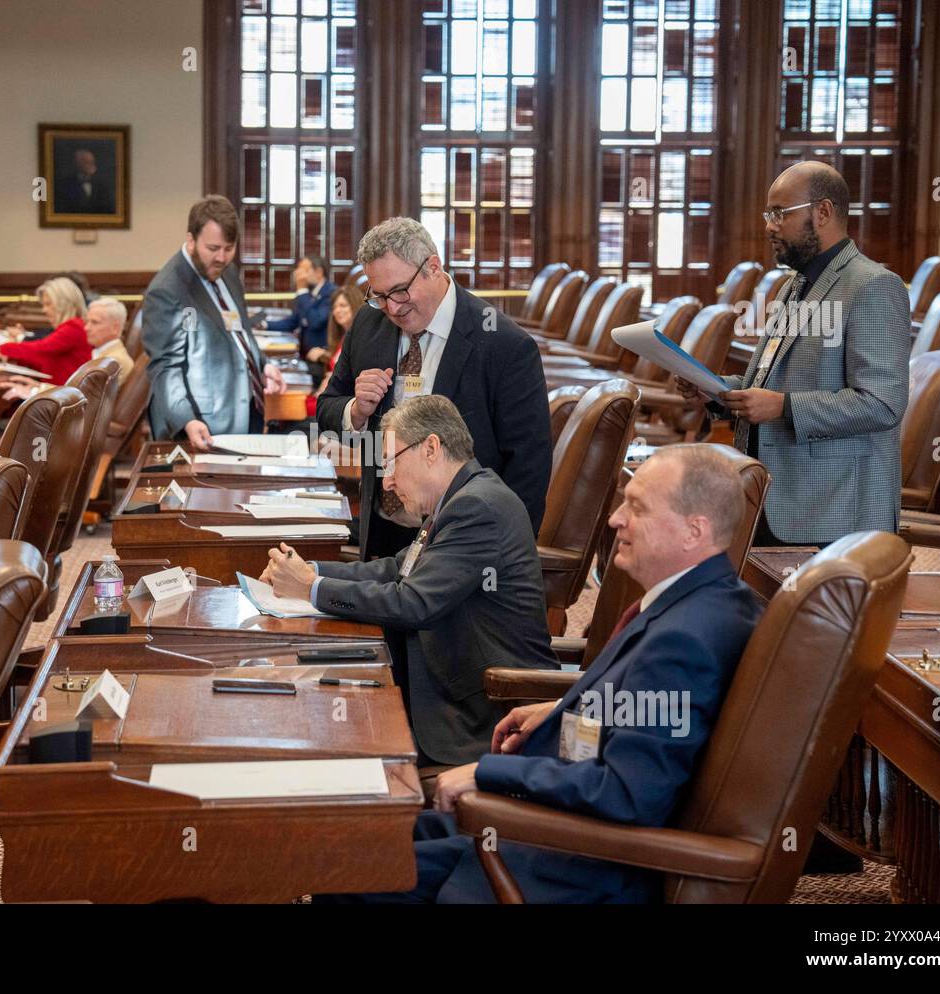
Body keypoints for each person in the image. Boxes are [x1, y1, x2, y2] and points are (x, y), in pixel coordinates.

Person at [321, 445, 761, 903]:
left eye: (637, 507)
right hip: (535, 823)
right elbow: (639, 710)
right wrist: (562, 708)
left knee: (350, 869)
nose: (614, 520)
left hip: (557, 858)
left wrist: (488, 774)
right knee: (362, 834)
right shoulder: (707, 602)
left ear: (694, 530)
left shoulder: (685, 640)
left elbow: (628, 793)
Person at [261, 396, 556, 766]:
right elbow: (394, 570)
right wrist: (311, 571)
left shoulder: (477, 506)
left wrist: (310, 589)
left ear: (430, 448)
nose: (387, 482)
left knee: (329, 735)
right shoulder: (459, 497)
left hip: (479, 713)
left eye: (389, 463)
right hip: (441, 681)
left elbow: (413, 602)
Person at [676, 161, 909, 546]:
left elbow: (883, 403)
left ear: (823, 212)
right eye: (769, 214)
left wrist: (784, 406)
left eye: (780, 213)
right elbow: (771, 381)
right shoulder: (795, 285)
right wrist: (717, 391)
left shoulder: (873, 286)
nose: (769, 225)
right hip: (778, 493)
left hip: (834, 510)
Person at [316, 217, 551, 560]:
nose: (393, 307)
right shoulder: (369, 323)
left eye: (399, 290)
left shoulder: (503, 345)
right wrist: (356, 411)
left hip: (463, 544)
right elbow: (327, 409)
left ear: (433, 268)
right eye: (379, 296)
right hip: (382, 530)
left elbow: (528, 468)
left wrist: (500, 556)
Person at [142, 194, 285, 448]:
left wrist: (263, 366)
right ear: (191, 240)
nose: (221, 257)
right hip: (201, 423)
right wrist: (186, 419)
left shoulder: (227, 272)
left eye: (229, 248)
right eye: (213, 248)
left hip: (243, 408)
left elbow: (240, 331)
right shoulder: (167, 290)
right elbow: (165, 367)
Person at [0, 296, 134, 403]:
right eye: (87, 322)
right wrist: (39, 386)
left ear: (115, 328)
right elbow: (78, 391)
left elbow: (82, 399)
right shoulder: (105, 354)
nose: (86, 328)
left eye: (95, 322)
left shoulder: (114, 361)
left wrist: (34, 391)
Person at [0, 276, 91, 385]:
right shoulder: (72, 325)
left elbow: (42, 348)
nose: (44, 310)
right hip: (60, 393)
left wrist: (5, 349)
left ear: (63, 303)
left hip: (63, 396)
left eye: (48, 304)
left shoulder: (74, 326)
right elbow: (46, 360)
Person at [306, 284, 363, 418]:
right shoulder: (343, 336)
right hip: (331, 397)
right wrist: (325, 355)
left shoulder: (359, 338)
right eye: (335, 307)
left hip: (344, 403)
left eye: (343, 306)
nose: (337, 311)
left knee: (297, 407)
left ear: (355, 306)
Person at [264, 255, 336, 357]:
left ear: (319, 272)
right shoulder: (308, 294)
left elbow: (315, 321)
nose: (297, 274)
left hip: (320, 357)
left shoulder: (331, 293)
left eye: (303, 270)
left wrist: (302, 290)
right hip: (303, 354)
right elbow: (292, 322)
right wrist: (264, 325)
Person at [55, 148, 115, 215]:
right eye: (86, 162)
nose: (91, 165)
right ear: (77, 164)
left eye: (92, 162)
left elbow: (109, 211)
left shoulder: (101, 186)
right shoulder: (64, 185)